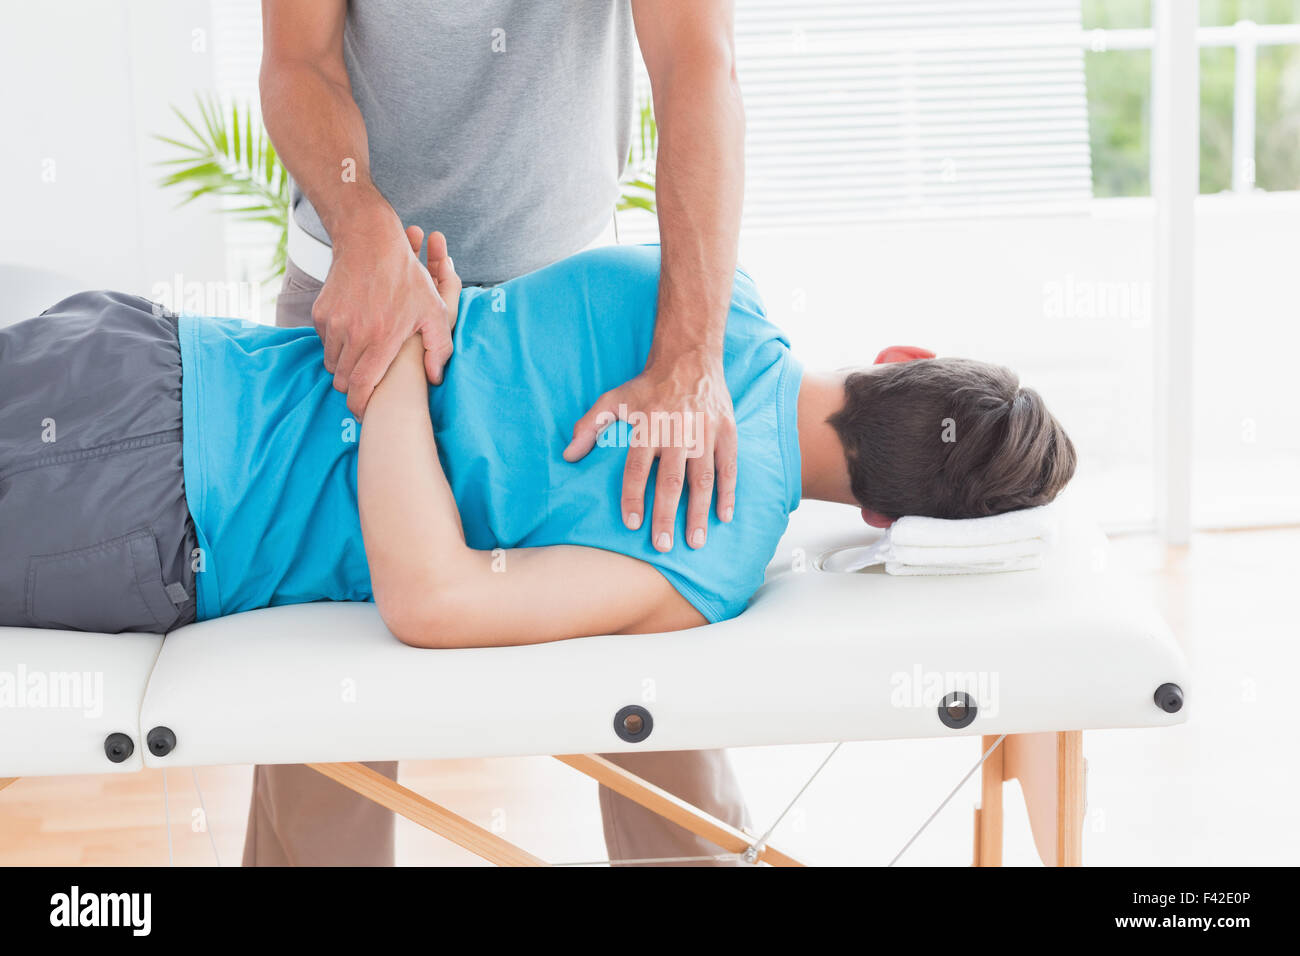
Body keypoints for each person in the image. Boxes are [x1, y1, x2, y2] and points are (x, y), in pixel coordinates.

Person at [0, 236, 1077, 664]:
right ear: (891, 517)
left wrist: (395, 343)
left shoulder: (693, 284)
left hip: (141, 354)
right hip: (155, 510)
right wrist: (397, 352)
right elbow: (434, 598)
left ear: (903, 355)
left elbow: (462, 353)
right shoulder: (708, 565)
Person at [254, 0, 747, 865]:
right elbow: (300, 58)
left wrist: (690, 356)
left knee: (662, 721)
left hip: (573, 322)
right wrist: (362, 222)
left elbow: (696, 64)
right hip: (361, 303)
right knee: (320, 723)